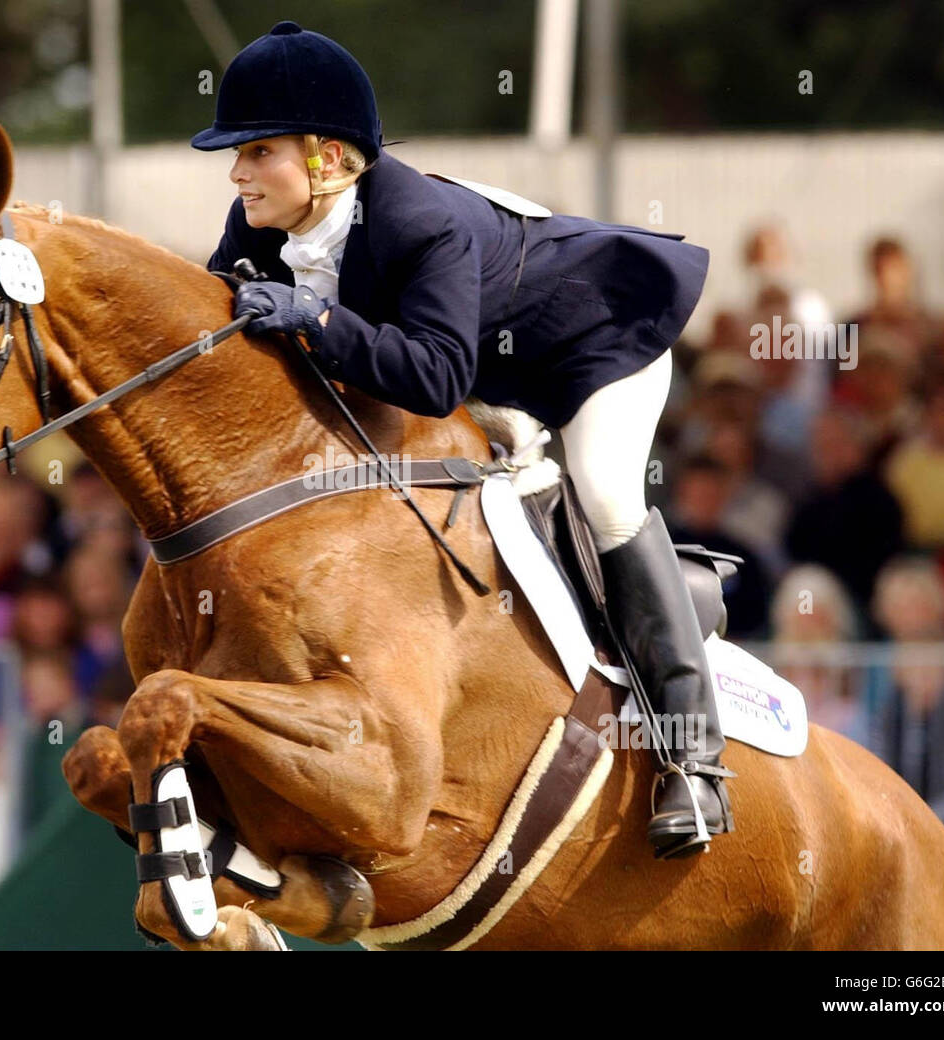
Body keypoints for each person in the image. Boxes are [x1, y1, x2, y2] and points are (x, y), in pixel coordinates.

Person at [190, 21, 731, 859]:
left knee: (606, 492)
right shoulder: (254, 223)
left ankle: (693, 761)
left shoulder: (418, 221)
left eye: (258, 152)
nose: (238, 172)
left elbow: (437, 374)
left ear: (327, 158)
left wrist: (318, 319)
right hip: (484, 372)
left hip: (591, 343)